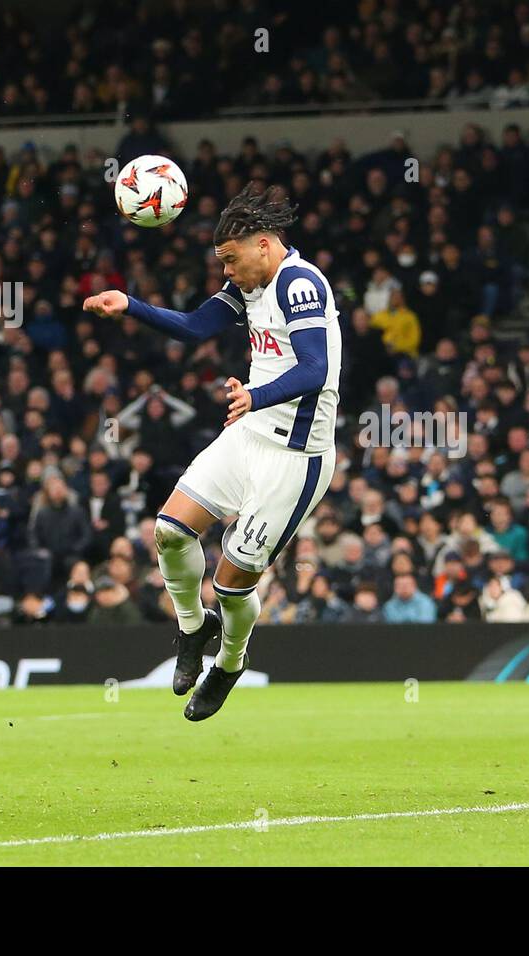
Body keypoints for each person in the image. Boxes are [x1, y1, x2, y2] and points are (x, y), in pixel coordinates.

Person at [84, 185, 340, 722]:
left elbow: (315, 369)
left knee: (231, 580)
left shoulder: (300, 283)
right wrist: (128, 303)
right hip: (247, 434)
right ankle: (192, 628)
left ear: (265, 245)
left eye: (231, 259)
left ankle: (228, 662)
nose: (227, 271)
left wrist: (255, 395)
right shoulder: (249, 285)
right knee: (170, 531)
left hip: (295, 457)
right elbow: (194, 327)